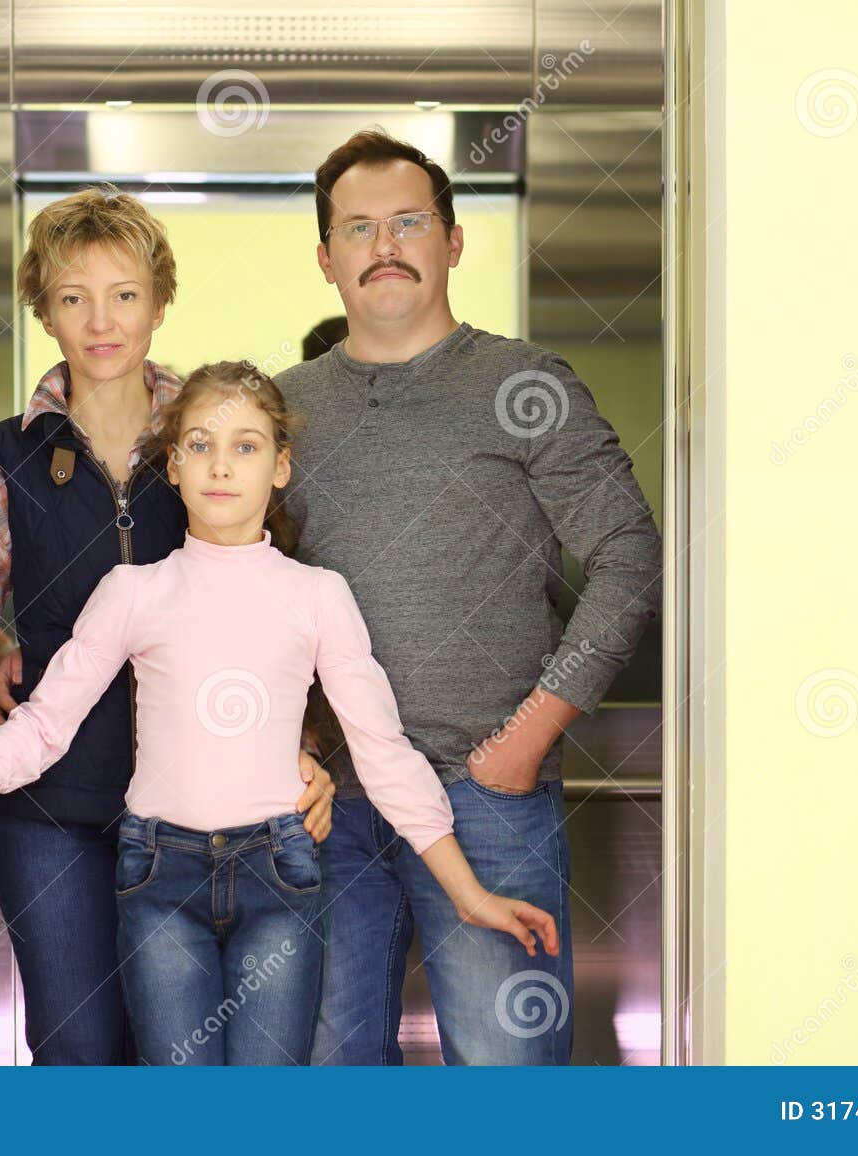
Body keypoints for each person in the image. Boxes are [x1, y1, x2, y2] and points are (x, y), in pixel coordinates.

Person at [0, 360, 559, 1065]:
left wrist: (468, 893)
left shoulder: (318, 595)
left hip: (281, 874)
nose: (221, 466)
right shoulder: (133, 592)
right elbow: (47, 722)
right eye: (200, 445)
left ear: (282, 467)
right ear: (171, 467)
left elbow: (384, 755)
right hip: (157, 878)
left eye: (246, 445)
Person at [0, 188, 334, 1066]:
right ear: (43, 309)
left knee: (191, 1061)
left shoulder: (210, 437)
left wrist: (309, 744)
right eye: (73, 296)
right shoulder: (2, 454)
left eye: (125, 294)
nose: (102, 320)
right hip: (52, 810)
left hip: (208, 817)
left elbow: (283, 619)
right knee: (78, 1052)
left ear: (160, 304)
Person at [275, 130, 663, 1065]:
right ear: (327, 259)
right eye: (359, 229)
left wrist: (529, 736)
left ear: (453, 240)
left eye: (410, 221)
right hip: (329, 802)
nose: (386, 244)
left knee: (507, 1081)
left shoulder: (522, 386)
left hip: (487, 798)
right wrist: (287, 744)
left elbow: (628, 557)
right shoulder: (282, 409)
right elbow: (241, 592)